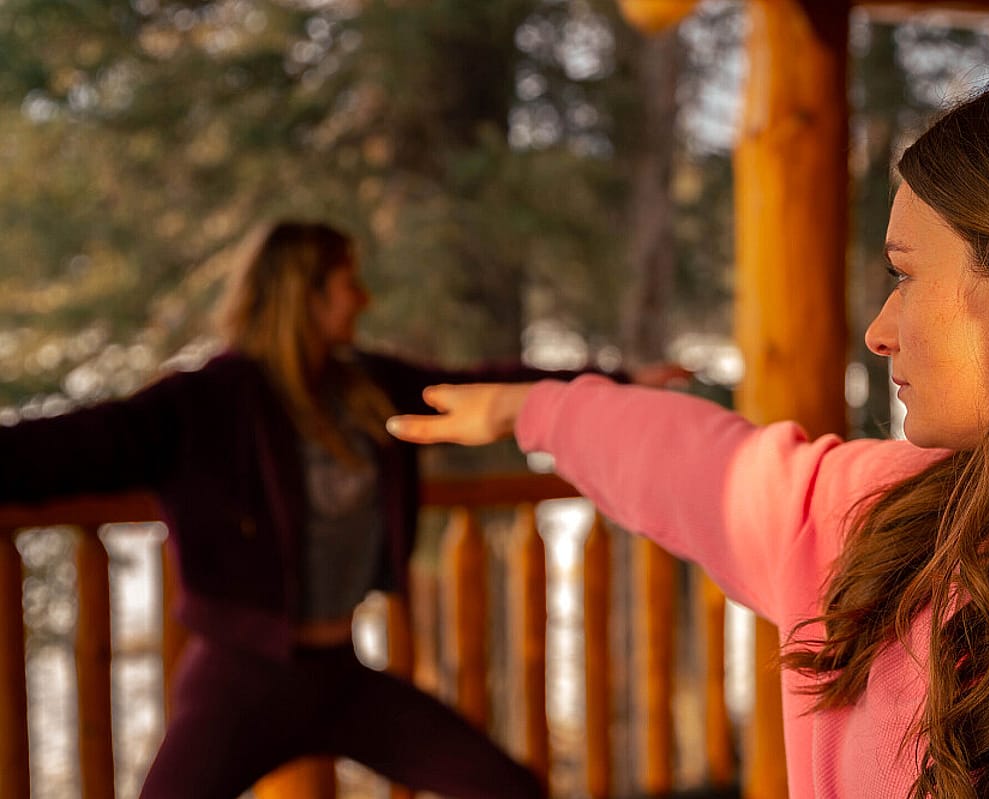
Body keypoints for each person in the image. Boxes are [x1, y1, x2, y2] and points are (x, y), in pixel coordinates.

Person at [387, 62, 989, 798]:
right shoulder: (881, 522)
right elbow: (696, 464)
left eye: (907, 274)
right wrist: (531, 409)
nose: (879, 331)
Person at [1, 221, 577, 798]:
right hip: (240, 679)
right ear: (307, 294)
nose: (363, 298)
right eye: (349, 283)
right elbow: (76, 445)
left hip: (342, 674)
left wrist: (609, 391)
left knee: (507, 789)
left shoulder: (365, 385)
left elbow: (485, 390)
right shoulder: (206, 402)